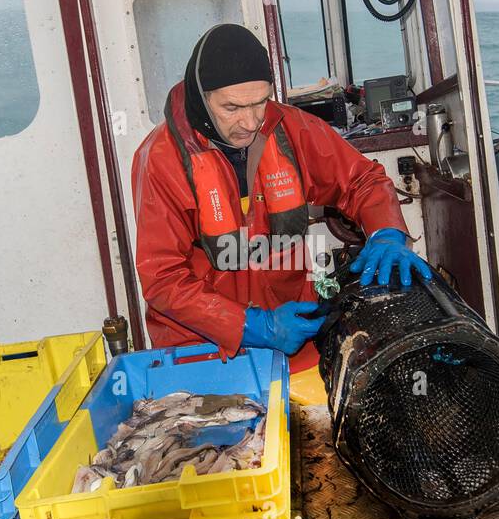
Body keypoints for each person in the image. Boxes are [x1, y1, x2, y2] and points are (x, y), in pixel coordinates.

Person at [130, 23, 430, 388]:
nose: (251, 120)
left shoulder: (290, 128)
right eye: (232, 107)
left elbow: (362, 180)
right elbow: (162, 279)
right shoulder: (160, 159)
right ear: (200, 98)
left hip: (296, 341)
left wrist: (386, 233)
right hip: (205, 355)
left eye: (260, 102)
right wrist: (248, 326)